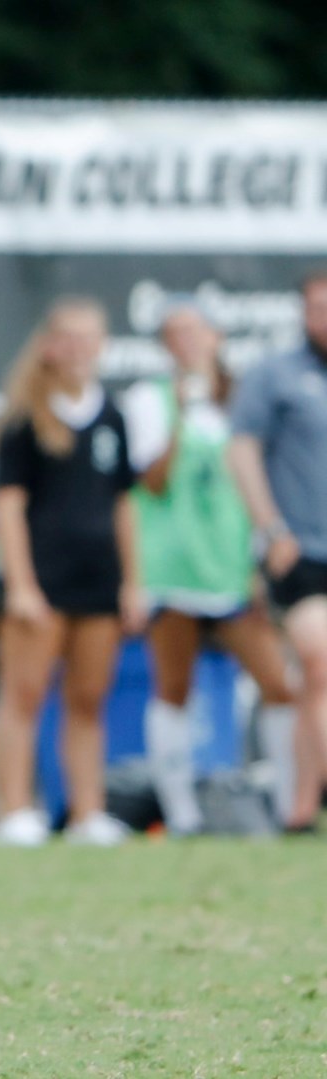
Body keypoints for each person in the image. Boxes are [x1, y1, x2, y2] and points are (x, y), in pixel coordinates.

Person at [122, 307, 302, 834]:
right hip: (173, 567)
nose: (188, 341)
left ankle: (289, 808)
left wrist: (258, 550)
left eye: (196, 330)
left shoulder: (243, 399)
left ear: (217, 337)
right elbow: (150, 482)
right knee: (173, 686)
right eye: (175, 333)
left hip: (230, 567)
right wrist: (180, 413)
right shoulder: (148, 400)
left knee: (277, 682)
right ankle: (181, 813)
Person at [0, 298, 148, 848]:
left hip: (98, 579)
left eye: (90, 338)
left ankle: (87, 812)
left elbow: (123, 505)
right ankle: (13, 811)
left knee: (88, 700)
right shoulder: (26, 419)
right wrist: (21, 585)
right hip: (44, 579)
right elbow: (7, 507)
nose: (80, 349)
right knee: (24, 695)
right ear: (50, 345)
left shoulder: (112, 415)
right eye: (69, 338)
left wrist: (133, 580)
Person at [228, 268, 327, 833]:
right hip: (303, 550)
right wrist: (270, 529)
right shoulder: (277, 376)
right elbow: (242, 452)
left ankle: (302, 806)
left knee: (318, 681)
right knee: (318, 662)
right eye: (317, 307)